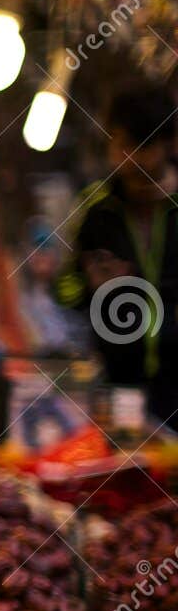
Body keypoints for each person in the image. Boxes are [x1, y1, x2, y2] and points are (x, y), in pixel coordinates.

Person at [55, 84, 178, 424]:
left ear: (166, 144)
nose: (129, 158)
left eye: (142, 146)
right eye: (120, 144)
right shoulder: (95, 208)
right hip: (119, 387)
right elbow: (64, 292)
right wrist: (89, 287)